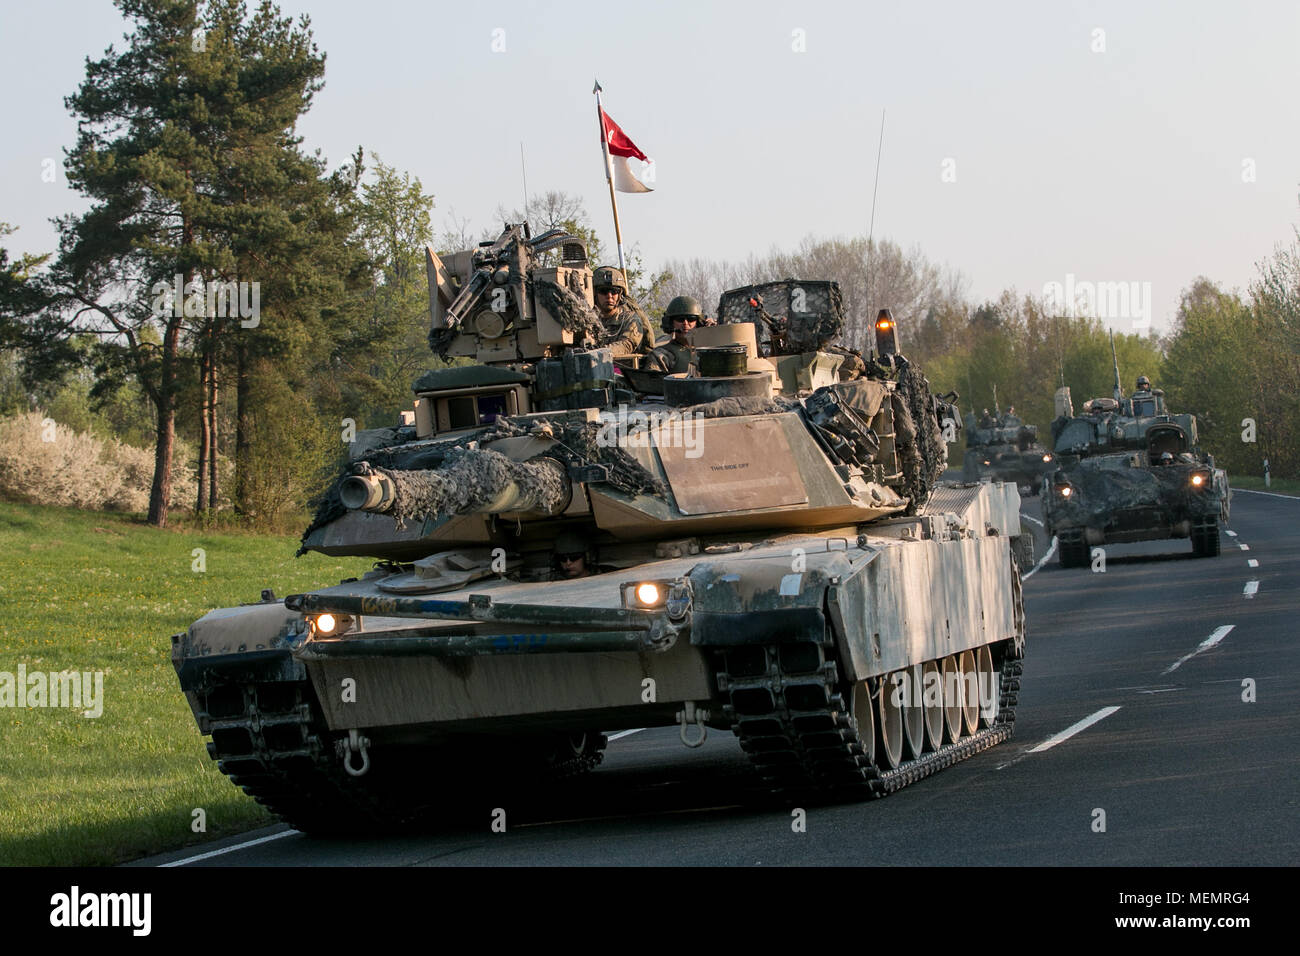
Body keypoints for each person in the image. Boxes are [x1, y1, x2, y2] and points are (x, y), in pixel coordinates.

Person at [591, 266, 656, 359]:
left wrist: (601, 352)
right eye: (603, 291)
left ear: (620, 294)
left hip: (623, 370)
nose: (609, 296)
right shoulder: (588, 320)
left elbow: (627, 344)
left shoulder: (630, 319)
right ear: (594, 293)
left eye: (614, 291)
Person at [644, 295, 702, 374]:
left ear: (698, 322)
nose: (685, 323)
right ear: (671, 323)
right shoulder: (662, 354)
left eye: (691, 319)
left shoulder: (708, 351)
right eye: (680, 319)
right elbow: (654, 382)